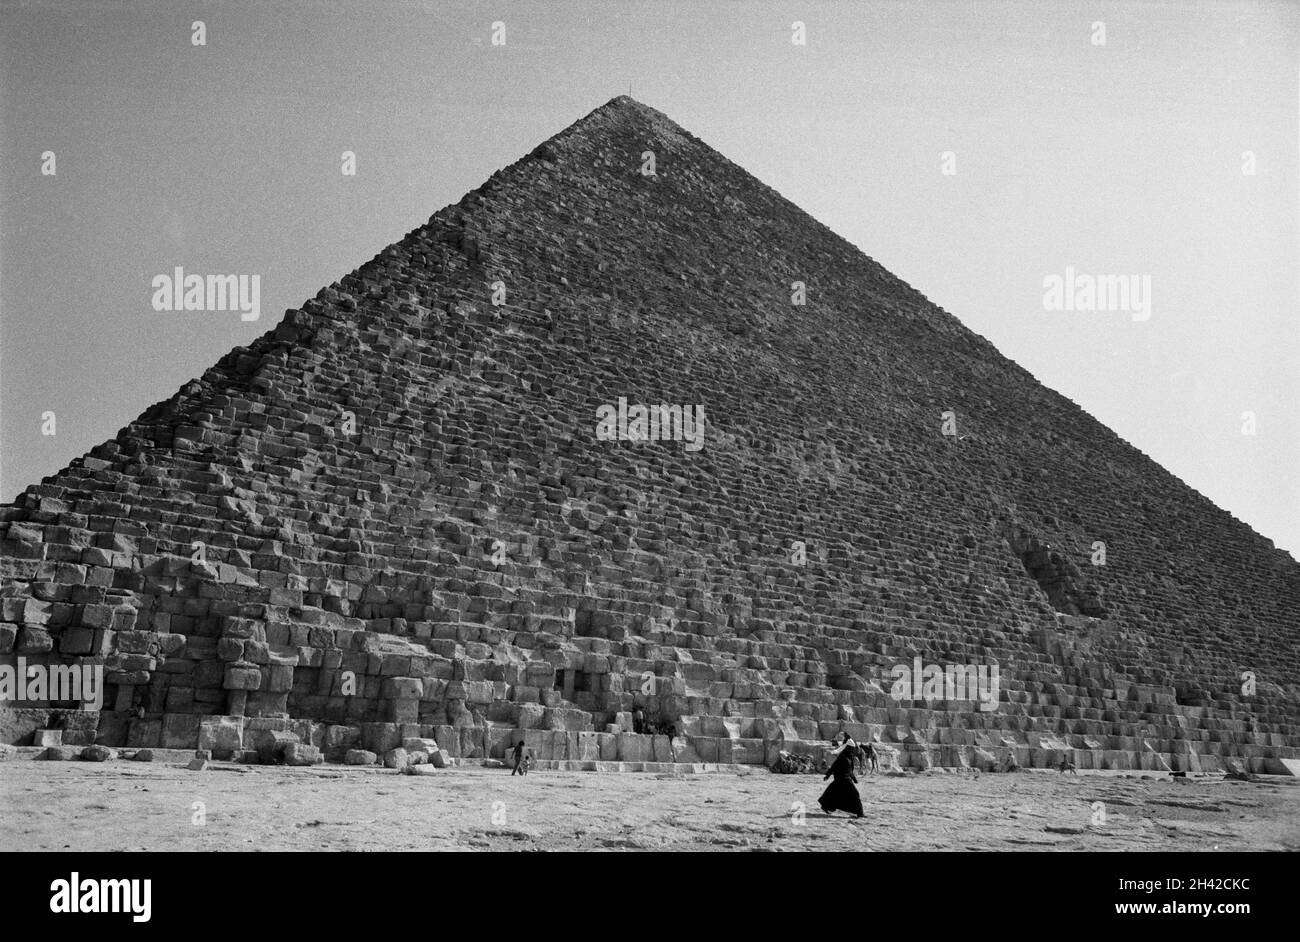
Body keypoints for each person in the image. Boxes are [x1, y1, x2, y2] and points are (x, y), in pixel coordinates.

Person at [818, 743, 864, 818]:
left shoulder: (850, 757)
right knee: (855, 795)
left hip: (843, 780)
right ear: (849, 749)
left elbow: (850, 770)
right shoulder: (842, 757)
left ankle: (826, 807)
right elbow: (834, 766)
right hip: (842, 780)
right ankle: (860, 814)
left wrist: (854, 779)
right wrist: (828, 775)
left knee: (836, 795)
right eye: (852, 748)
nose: (854, 750)